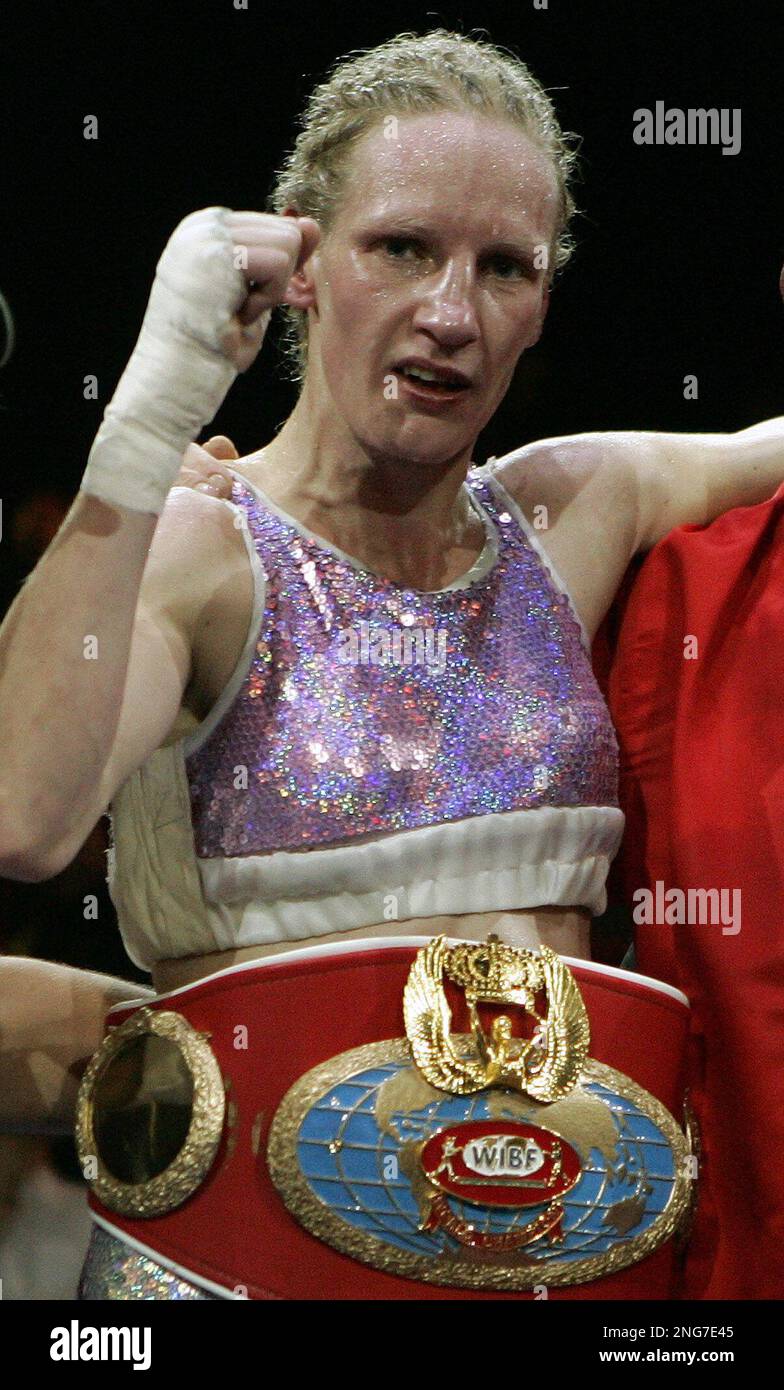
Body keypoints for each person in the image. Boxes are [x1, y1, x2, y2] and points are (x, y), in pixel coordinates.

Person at [0, 29, 782, 1300]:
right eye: (403, 247)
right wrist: (143, 421)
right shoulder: (203, 550)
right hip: (232, 1277)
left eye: (505, 267)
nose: (451, 315)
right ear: (302, 260)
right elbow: (21, 818)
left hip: (558, 1282)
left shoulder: (570, 510)